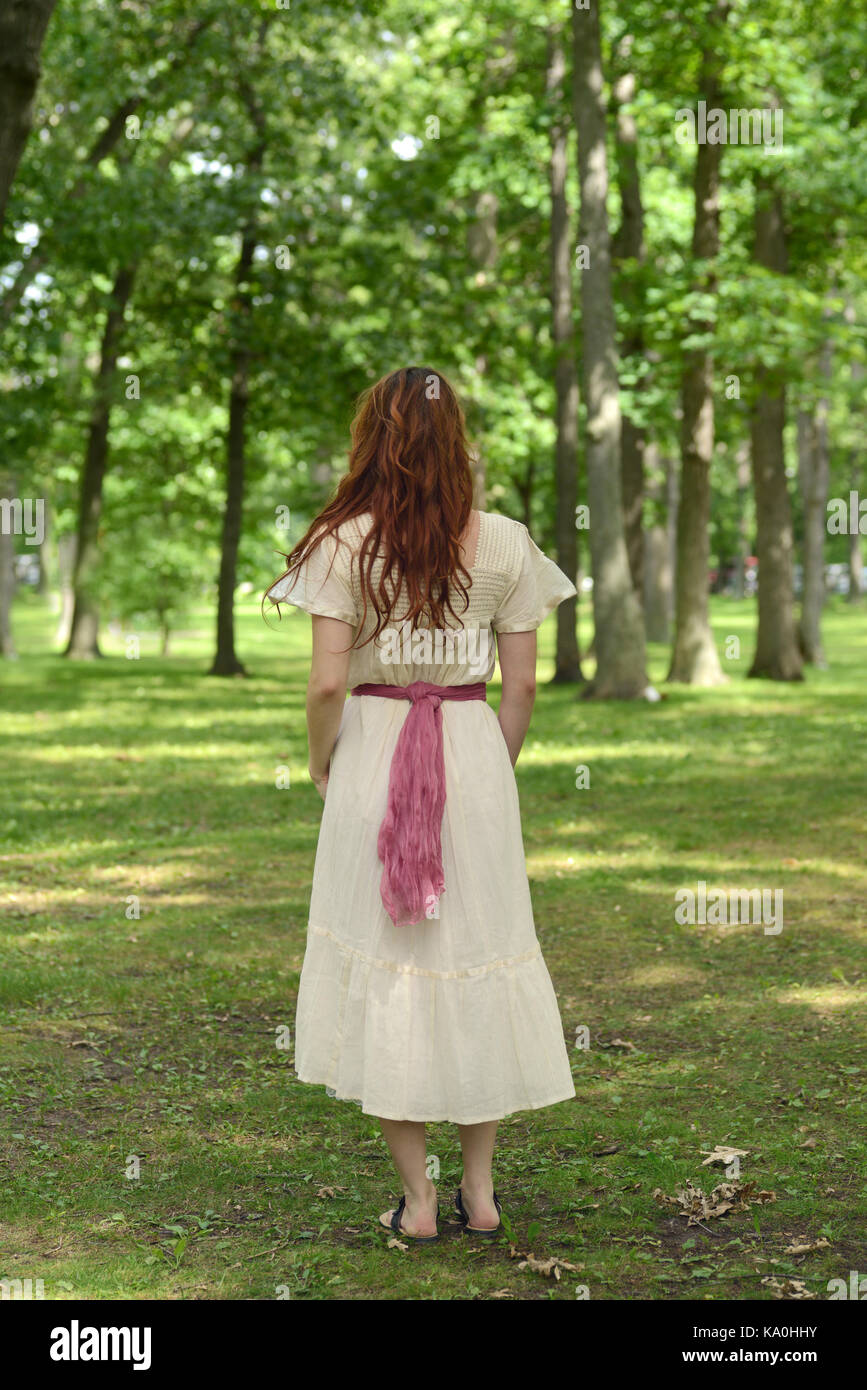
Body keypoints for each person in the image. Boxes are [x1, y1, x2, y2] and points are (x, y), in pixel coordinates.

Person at [265, 366, 576, 1242]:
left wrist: (322, 763)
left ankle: (420, 1200)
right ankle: (479, 1191)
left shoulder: (343, 543)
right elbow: (522, 686)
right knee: (482, 949)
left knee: (388, 958)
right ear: (455, 440)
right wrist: (485, 772)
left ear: (375, 441)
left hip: (374, 748)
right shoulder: (508, 543)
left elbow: (329, 681)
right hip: (472, 750)